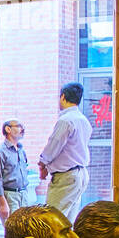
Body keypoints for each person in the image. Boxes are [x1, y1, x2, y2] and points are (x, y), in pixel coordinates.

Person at [37, 83, 91, 226]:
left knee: (52, 220)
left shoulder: (66, 120)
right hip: (80, 174)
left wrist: (42, 164)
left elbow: (53, 145)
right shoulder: (83, 120)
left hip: (67, 176)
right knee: (68, 222)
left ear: (63, 97)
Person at [0, 119, 30, 221]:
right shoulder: (1, 151)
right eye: (19, 126)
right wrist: (2, 202)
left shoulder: (21, 150)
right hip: (10, 196)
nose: (22, 129)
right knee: (12, 230)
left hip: (24, 194)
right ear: (8, 129)